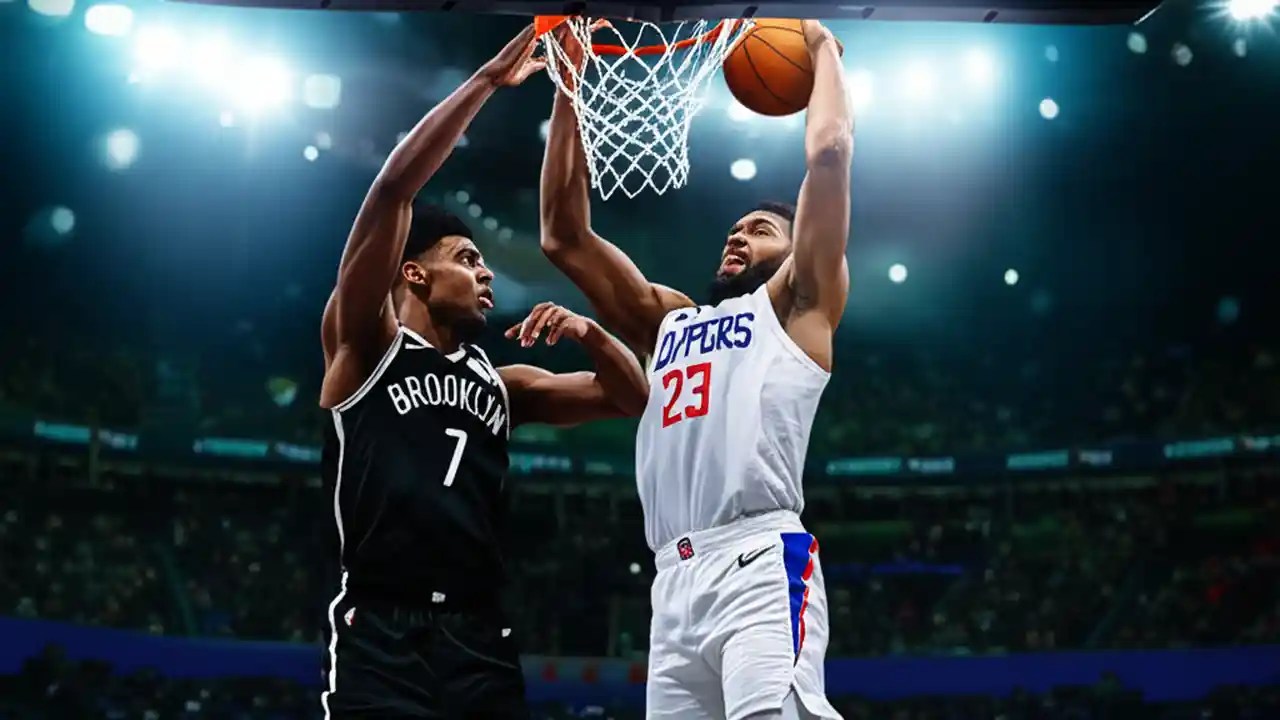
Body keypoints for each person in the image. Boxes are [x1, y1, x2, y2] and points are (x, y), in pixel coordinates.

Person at [318, 24, 648, 720]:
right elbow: (391, 192)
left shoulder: (505, 384)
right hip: (380, 631)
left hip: (480, 636)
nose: (486, 272)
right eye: (467, 259)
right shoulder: (363, 345)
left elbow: (632, 397)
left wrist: (590, 332)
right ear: (414, 273)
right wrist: (488, 83)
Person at [535, 19, 852, 720]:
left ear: (795, 245)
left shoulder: (799, 305)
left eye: (759, 229)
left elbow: (829, 154)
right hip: (673, 583)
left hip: (760, 562)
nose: (738, 234)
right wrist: (568, 85)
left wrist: (824, 48)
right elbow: (562, 232)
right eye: (733, 229)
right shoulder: (671, 322)